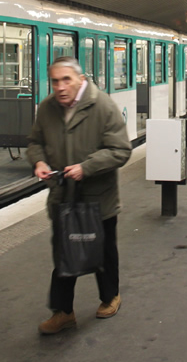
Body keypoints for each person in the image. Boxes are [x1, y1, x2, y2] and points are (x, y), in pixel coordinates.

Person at [27, 56, 132, 335]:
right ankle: (63, 312)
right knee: (64, 254)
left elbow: (121, 150)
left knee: (103, 250)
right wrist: (38, 162)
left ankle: (110, 297)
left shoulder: (103, 106)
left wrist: (86, 168)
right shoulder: (47, 109)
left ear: (81, 80)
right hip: (63, 197)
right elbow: (35, 142)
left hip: (99, 197)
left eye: (66, 80)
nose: (60, 87)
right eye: (55, 81)